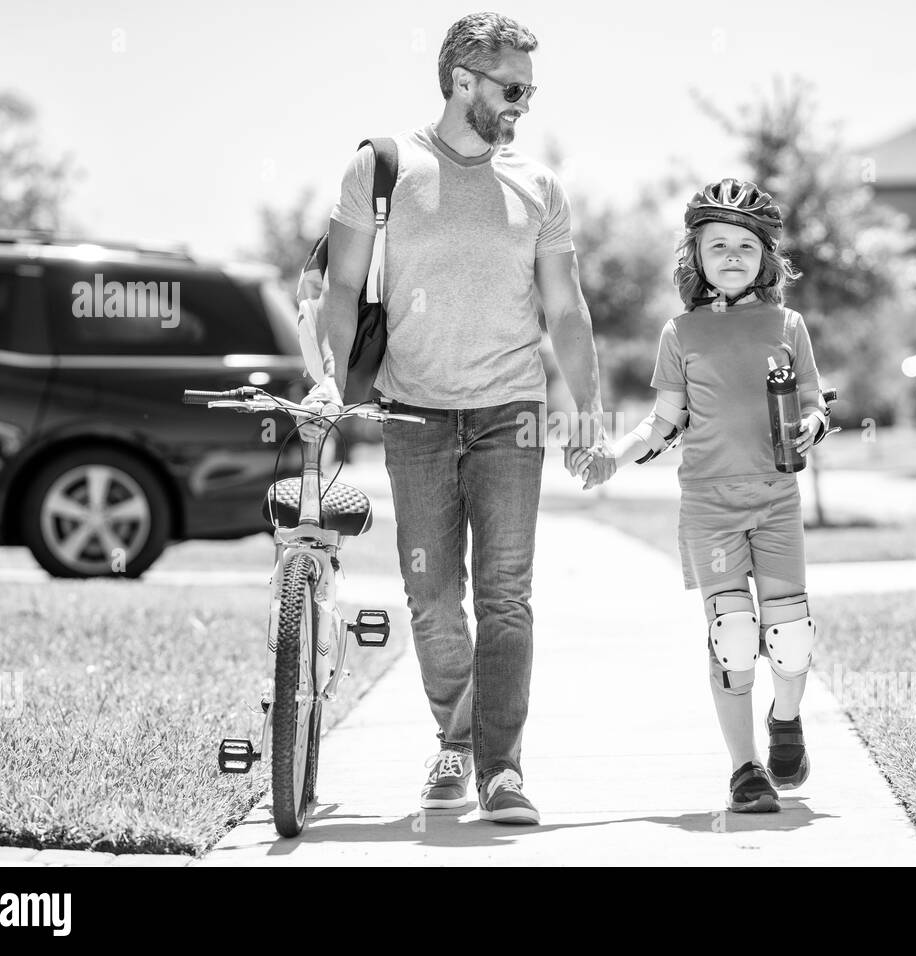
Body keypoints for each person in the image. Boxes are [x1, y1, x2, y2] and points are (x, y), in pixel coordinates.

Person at [297, 12, 614, 825]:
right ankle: (456, 736)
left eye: (530, 91)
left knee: (506, 596)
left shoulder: (537, 186)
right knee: (433, 595)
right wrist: (328, 385)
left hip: (511, 412)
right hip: (414, 415)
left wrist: (589, 409)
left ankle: (500, 769)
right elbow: (340, 289)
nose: (523, 106)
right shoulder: (381, 170)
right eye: (513, 89)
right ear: (462, 79)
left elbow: (567, 311)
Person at [575, 178, 831, 812]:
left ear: (768, 257)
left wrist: (812, 425)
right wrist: (614, 455)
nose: (734, 256)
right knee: (735, 635)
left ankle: (787, 718)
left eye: (747, 245)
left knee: (790, 637)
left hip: (775, 498)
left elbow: (813, 406)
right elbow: (664, 422)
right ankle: (745, 770)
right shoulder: (681, 334)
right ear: (696, 257)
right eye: (719, 245)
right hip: (711, 506)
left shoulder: (789, 325)